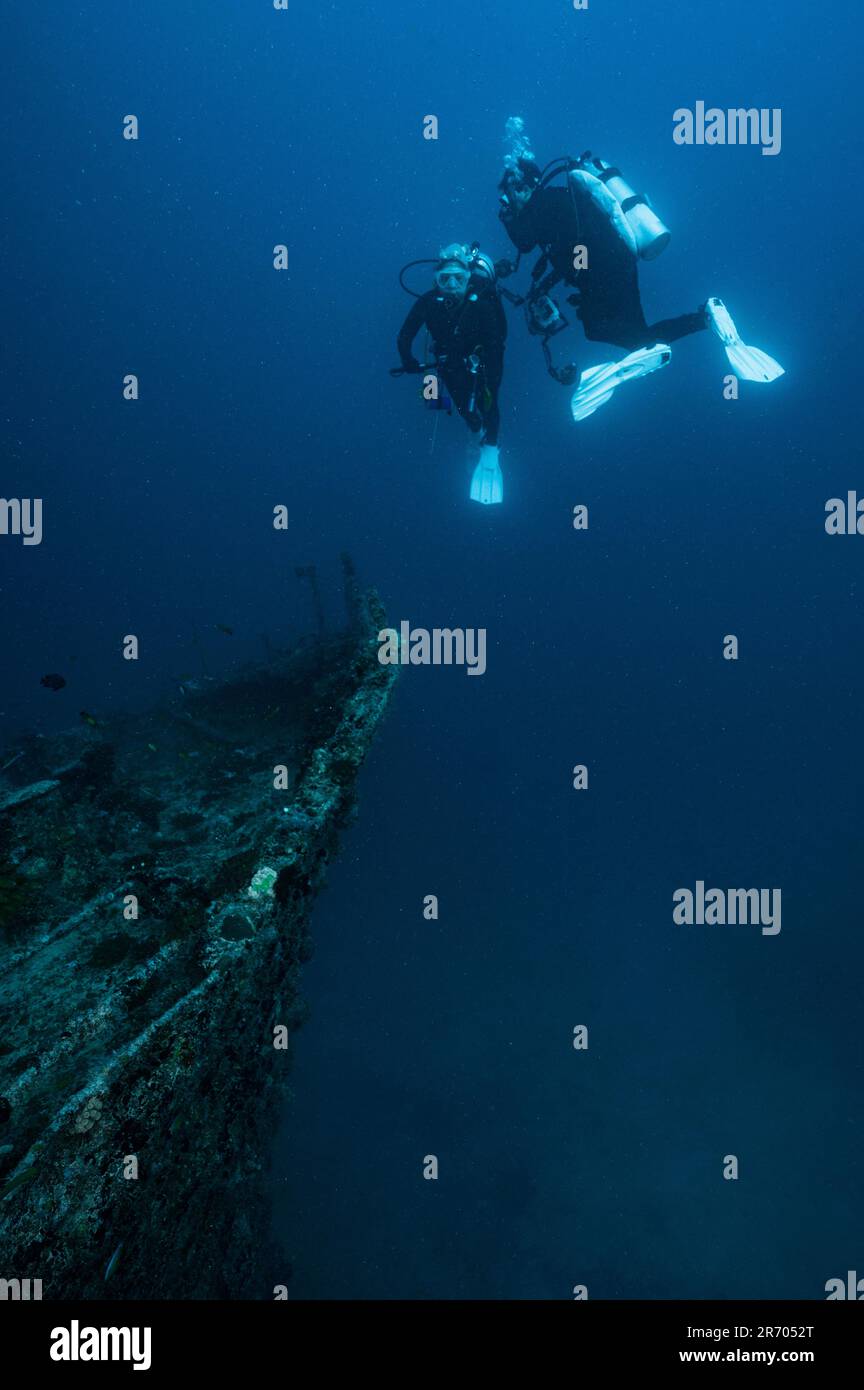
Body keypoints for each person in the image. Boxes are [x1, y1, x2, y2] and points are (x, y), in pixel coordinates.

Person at [497, 148, 783, 418]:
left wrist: (506, 216)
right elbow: (570, 251)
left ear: (527, 186)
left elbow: (525, 242)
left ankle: (619, 361)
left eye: (512, 193)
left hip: (601, 268)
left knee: (598, 329)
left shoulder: (542, 203)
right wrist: (553, 284)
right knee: (639, 337)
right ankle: (705, 317)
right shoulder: (560, 201)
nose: (511, 200)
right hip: (619, 260)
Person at [394, 243, 506, 503]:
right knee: (452, 406)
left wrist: (492, 378)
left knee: (488, 403)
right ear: (436, 281)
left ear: (469, 278)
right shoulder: (428, 302)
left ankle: (491, 448)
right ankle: (474, 430)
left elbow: (497, 342)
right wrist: (408, 360)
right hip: (447, 364)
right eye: (445, 279)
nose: (453, 284)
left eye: (459, 277)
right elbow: (404, 335)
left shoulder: (482, 301)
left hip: (482, 364)